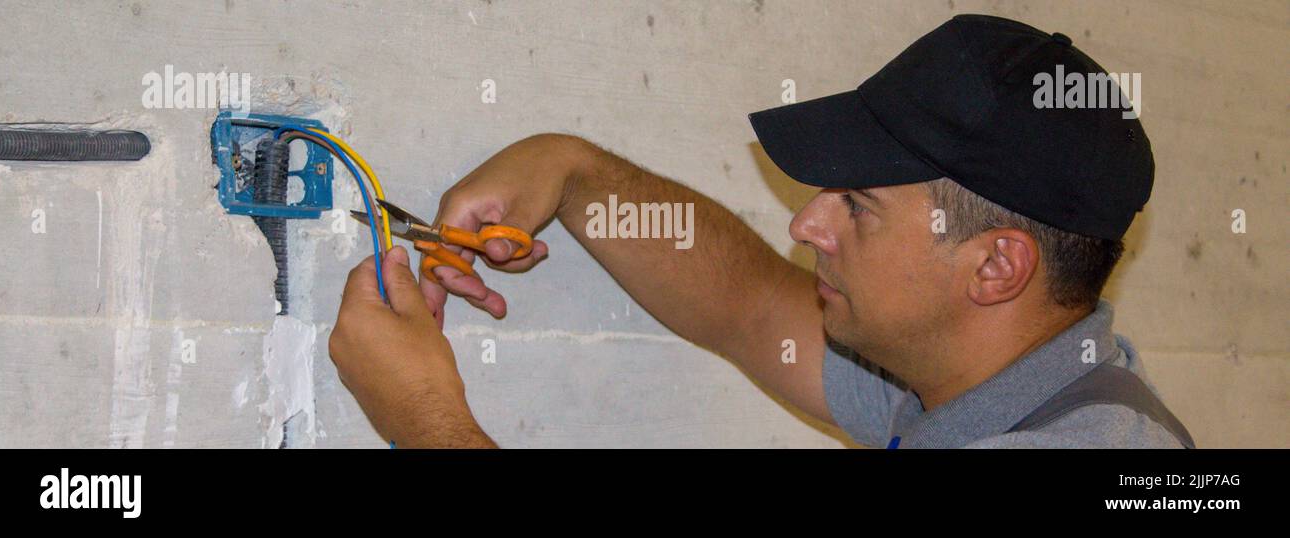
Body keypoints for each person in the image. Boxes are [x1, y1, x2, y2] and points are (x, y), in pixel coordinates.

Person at [328, 14, 1194, 448]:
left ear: (996, 266)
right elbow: (748, 308)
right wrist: (574, 174)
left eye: (857, 206)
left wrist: (426, 417)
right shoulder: (983, 378)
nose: (805, 221)